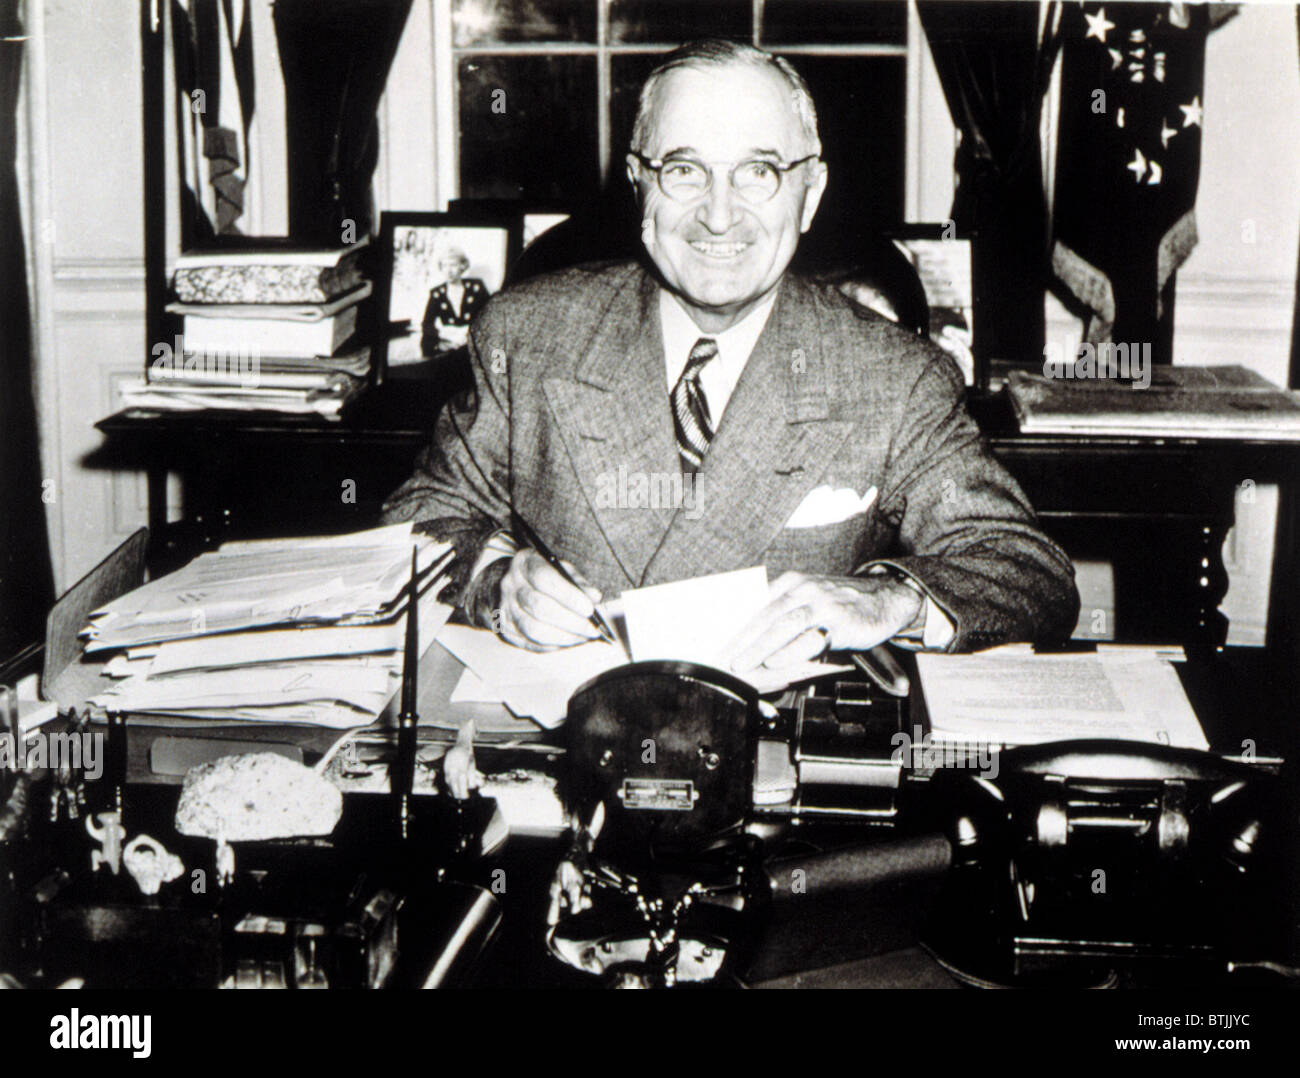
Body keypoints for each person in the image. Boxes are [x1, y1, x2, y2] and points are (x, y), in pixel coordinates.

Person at [384, 39, 1079, 681]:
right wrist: (496, 580)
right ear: (639, 185)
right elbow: (412, 523)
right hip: (561, 738)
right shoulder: (527, 336)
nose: (719, 215)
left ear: (810, 194)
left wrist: (889, 598)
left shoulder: (893, 379)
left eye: (759, 172)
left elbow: (1027, 572)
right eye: (684, 171)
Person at [420, 247, 489, 355]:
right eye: (445, 265)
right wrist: (441, 337)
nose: (449, 270)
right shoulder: (437, 293)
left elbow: (490, 316)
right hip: (451, 347)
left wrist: (472, 333)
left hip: (476, 346)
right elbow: (427, 324)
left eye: (453, 265)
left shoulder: (476, 287)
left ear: (462, 266)